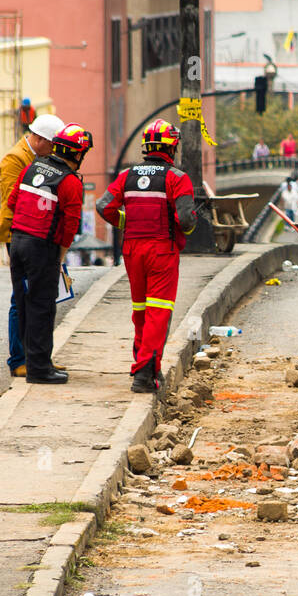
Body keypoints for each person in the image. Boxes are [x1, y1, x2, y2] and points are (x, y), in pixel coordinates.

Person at [97, 119, 198, 393]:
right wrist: (184, 227)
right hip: (161, 252)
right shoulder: (177, 178)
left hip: (132, 250)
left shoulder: (127, 176)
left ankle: (144, 364)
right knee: (158, 312)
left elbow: (104, 205)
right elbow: (187, 219)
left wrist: (124, 222)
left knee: (140, 311)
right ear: (172, 147)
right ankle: (144, 374)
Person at [5, 123, 92, 384]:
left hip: (18, 243)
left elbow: (12, 202)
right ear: (78, 154)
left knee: (23, 305)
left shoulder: (31, 168)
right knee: (42, 308)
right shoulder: (70, 182)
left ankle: (30, 362)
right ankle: (40, 369)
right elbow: (70, 226)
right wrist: (60, 256)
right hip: (41, 248)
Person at [0, 112, 65, 377]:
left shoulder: (40, 159)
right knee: (21, 299)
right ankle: (19, 359)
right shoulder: (16, 159)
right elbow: (15, 200)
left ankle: (38, 357)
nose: (55, 151)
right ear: (39, 139)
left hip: (38, 235)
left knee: (39, 299)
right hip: (20, 236)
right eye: (52, 145)